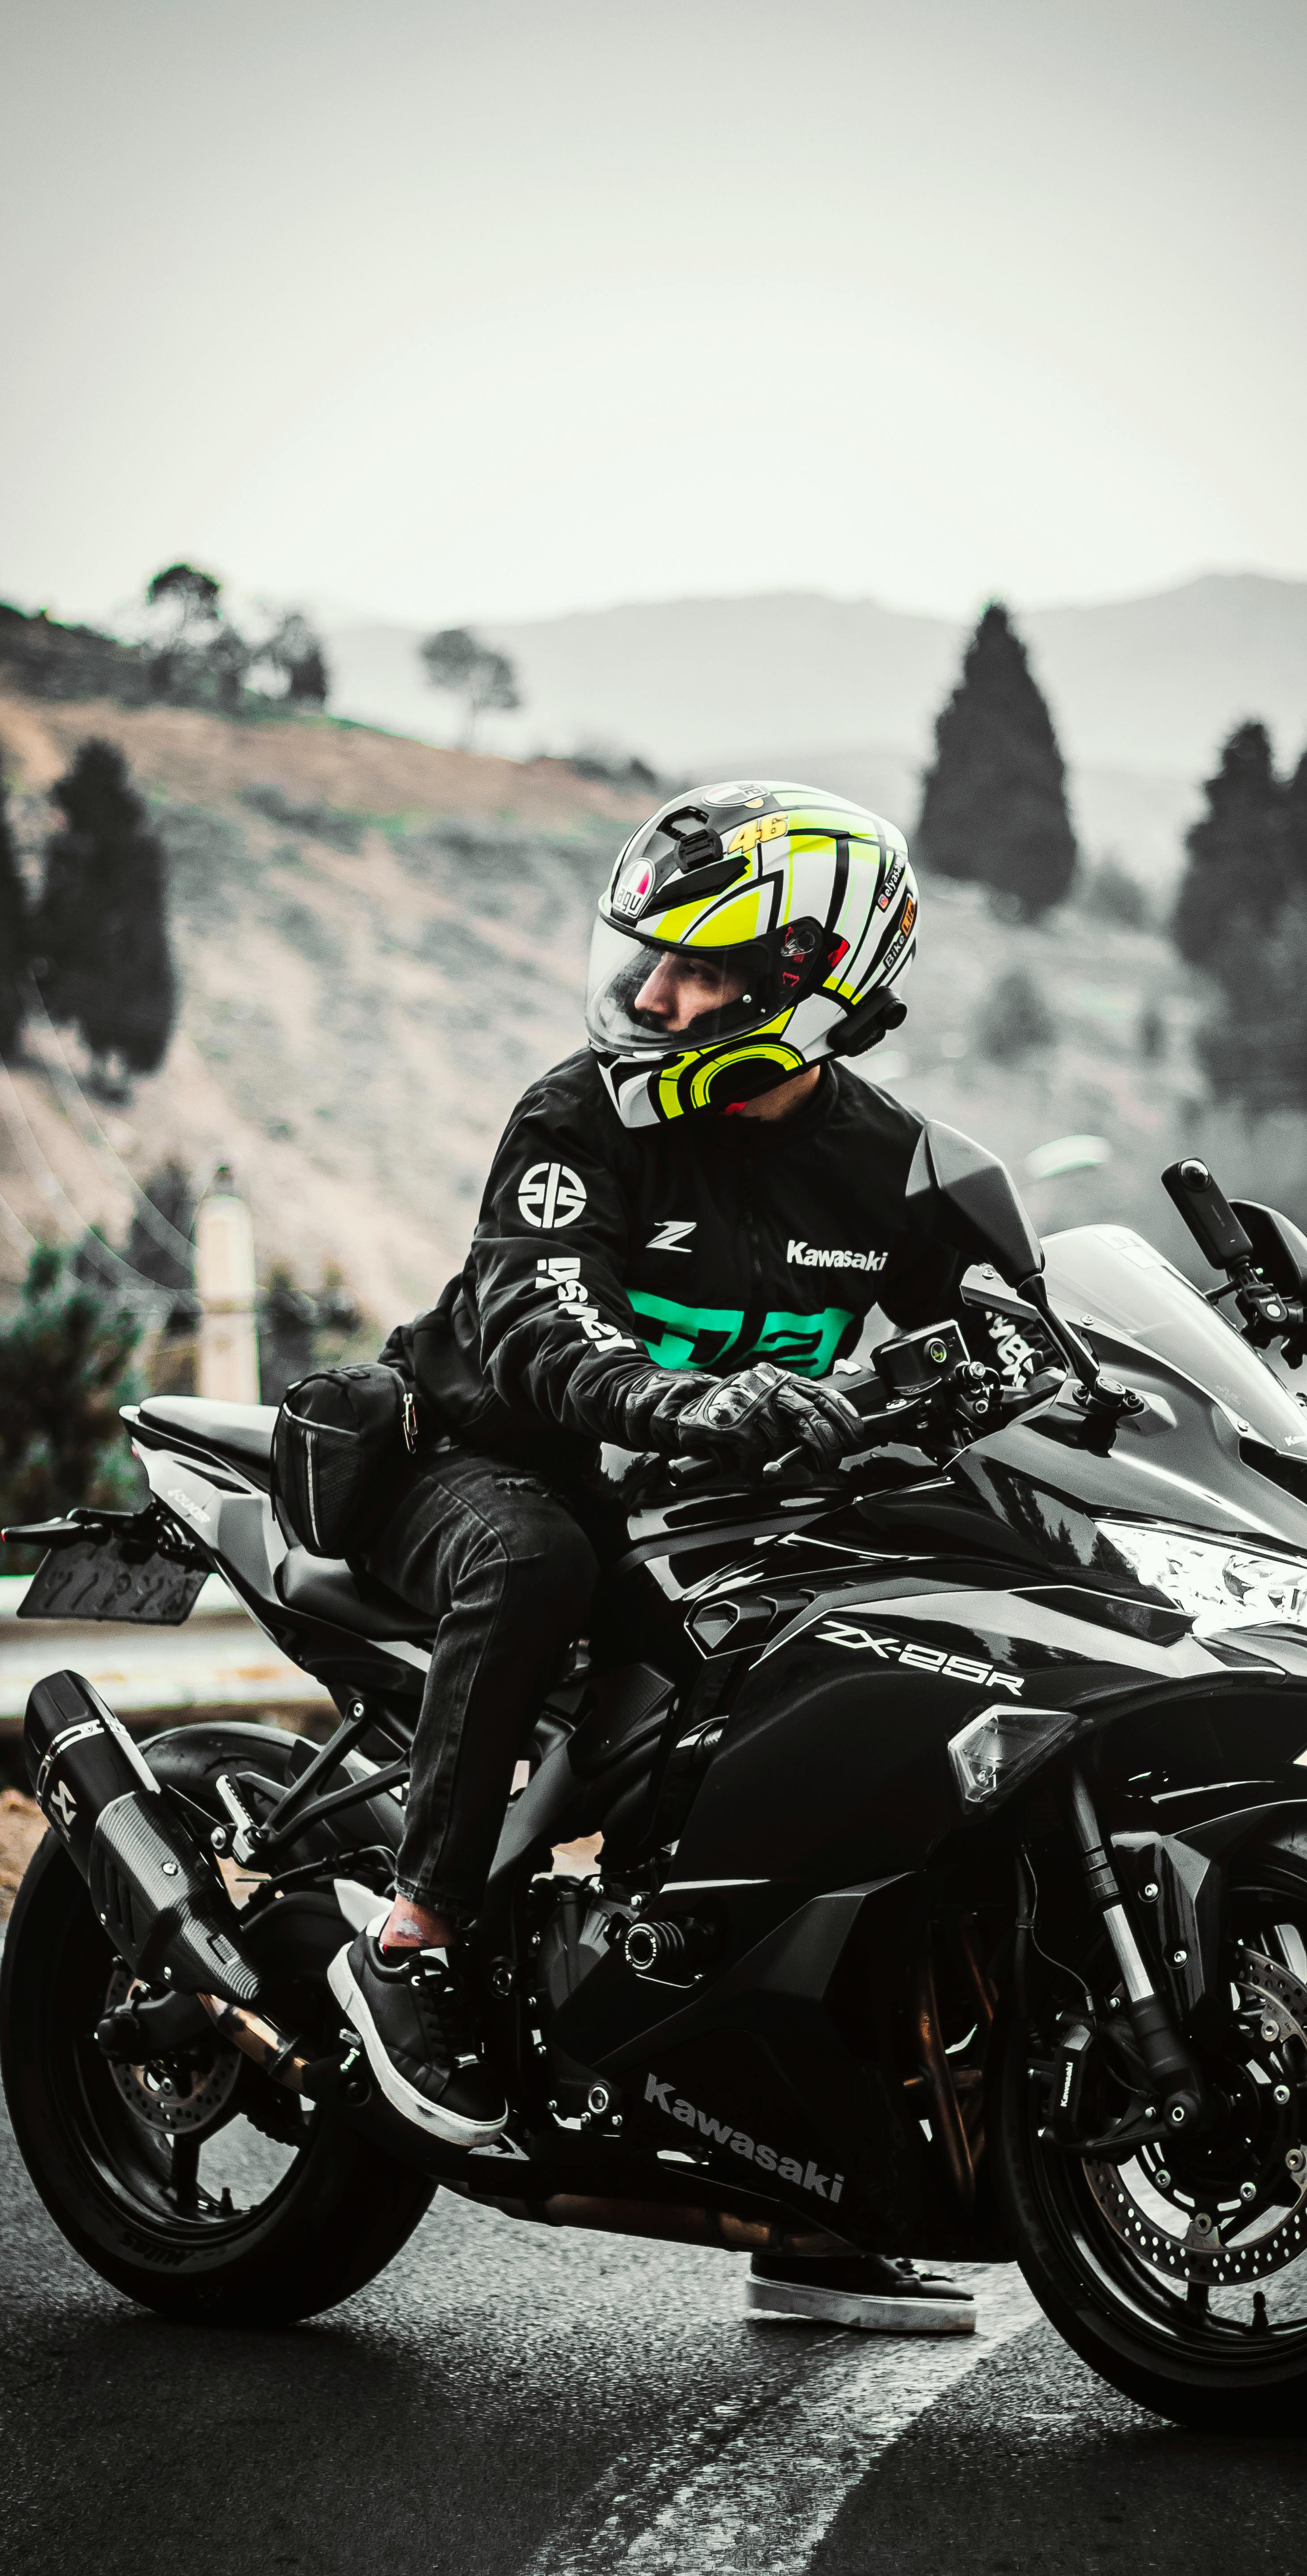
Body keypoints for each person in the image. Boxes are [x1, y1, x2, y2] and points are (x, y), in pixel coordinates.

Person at [329, 779, 977, 2334]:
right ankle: (414, 1935)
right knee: (535, 1560)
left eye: (699, 971)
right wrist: (692, 1401)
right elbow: (543, 1331)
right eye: (647, 959)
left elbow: (1011, 1334)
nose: (654, 994)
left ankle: (806, 2190)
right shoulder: (578, 1115)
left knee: (869, 1677)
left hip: (702, 1506)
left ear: (813, 987)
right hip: (481, 1462)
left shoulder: (892, 1163)